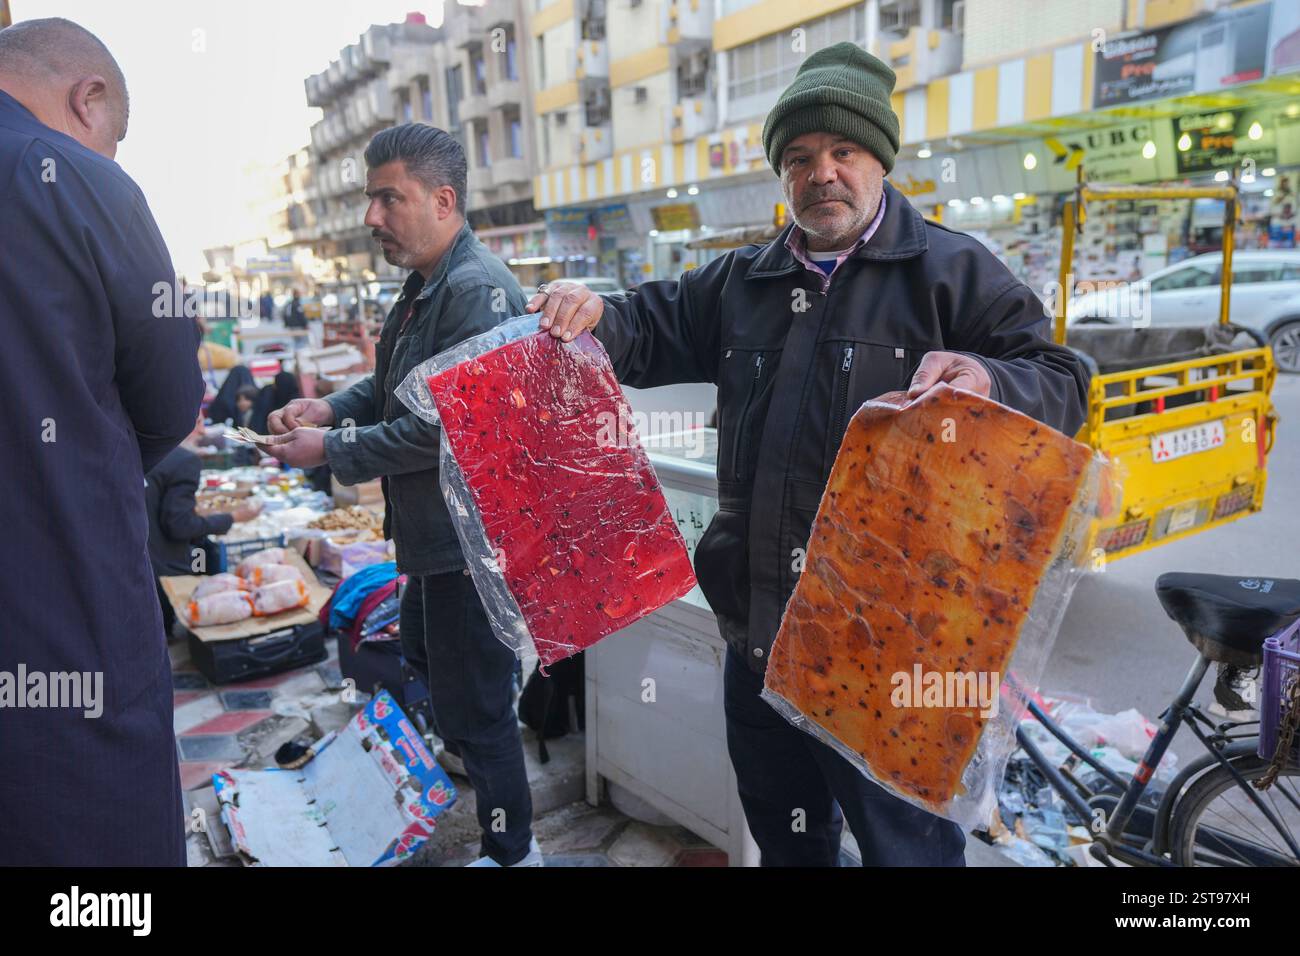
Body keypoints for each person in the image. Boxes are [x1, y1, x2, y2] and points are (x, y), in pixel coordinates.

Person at [526, 43, 1091, 867]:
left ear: (878, 162)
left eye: (842, 152)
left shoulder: (950, 270)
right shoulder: (740, 282)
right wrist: (587, 309)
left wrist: (987, 377)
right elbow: (640, 331)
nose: (821, 173)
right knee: (791, 842)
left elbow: (1062, 378)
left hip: (891, 654)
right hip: (759, 640)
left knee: (910, 854)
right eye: (798, 158)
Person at [264, 124, 538, 866]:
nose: (371, 217)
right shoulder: (426, 285)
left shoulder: (476, 292)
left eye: (389, 198)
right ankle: (474, 789)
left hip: (469, 550)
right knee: (433, 671)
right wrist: (331, 409)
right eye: (369, 198)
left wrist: (334, 448)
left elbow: (444, 431)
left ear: (442, 200)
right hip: (429, 541)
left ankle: (515, 852)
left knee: (480, 710)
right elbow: (393, 389)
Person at [0, 18, 204, 866]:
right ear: (89, 100)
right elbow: (169, 395)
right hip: (64, 600)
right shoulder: (79, 183)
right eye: (112, 137)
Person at [146, 415, 261, 637]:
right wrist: (234, 517)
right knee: (162, 634)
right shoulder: (184, 460)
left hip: (140, 562)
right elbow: (179, 525)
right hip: (164, 569)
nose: (202, 431)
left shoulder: (143, 453)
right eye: (197, 423)